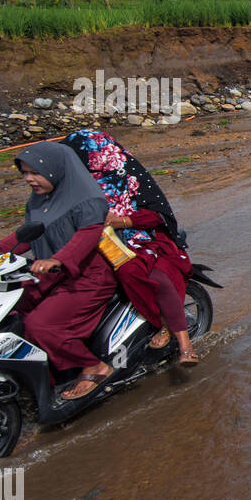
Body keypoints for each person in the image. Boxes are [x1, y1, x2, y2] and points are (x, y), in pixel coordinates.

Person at [0, 142, 117, 400]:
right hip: (47, 277)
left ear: (55, 170)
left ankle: (95, 366)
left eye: (35, 172)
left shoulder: (88, 199)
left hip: (86, 278)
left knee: (41, 326)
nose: (29, 179)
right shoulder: (40, 200)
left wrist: (57, 259)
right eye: (24, 173)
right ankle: (44, 376)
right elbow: (26, 236)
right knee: (7, 316)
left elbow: (87, 236)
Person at [63, 129, 197, 367]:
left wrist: (121, 221)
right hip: (94, 244)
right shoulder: (69, 185)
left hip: (143, 238)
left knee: (145, 274)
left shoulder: (129, 176)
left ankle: (181, 340)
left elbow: (158, 214)